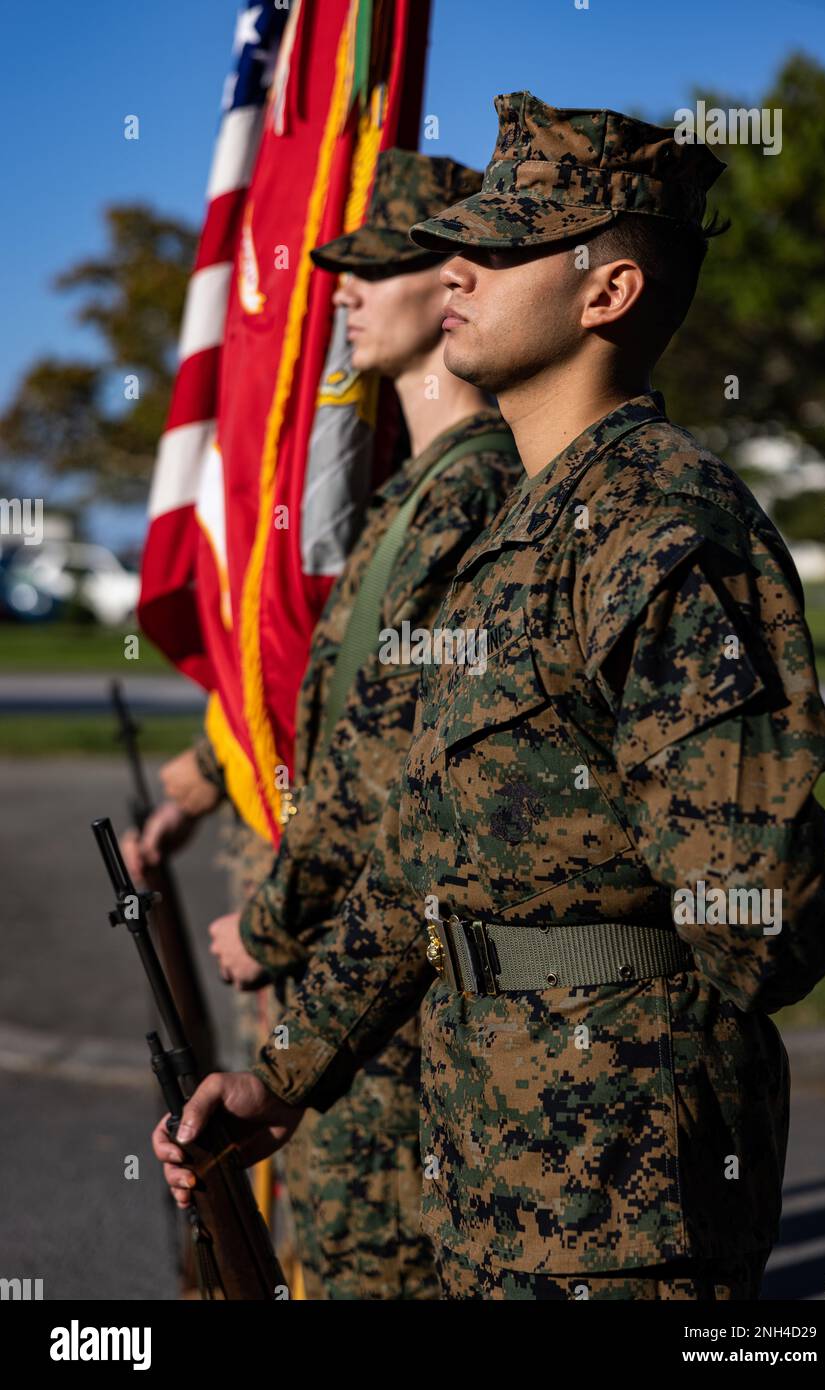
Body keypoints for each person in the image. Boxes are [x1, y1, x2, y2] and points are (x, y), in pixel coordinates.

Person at [154, 94, 825, 1300]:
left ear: (606, 293)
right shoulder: (521, 532)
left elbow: (767, 924)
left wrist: (604, 970)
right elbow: (422, 862)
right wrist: (284, 1075)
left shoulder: (663, 531)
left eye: (508, 242)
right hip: (485, 1176)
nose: (457, 265)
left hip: (624, 1203)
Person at [195, 146, 521, 1299]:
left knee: (371, 1270)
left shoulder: (470, 495)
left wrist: (272, 925)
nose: (341, 292)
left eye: (376, 269)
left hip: (391, 1008)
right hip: (358, 984)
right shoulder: (411, 494)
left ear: (453, 285)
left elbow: (377, 772)